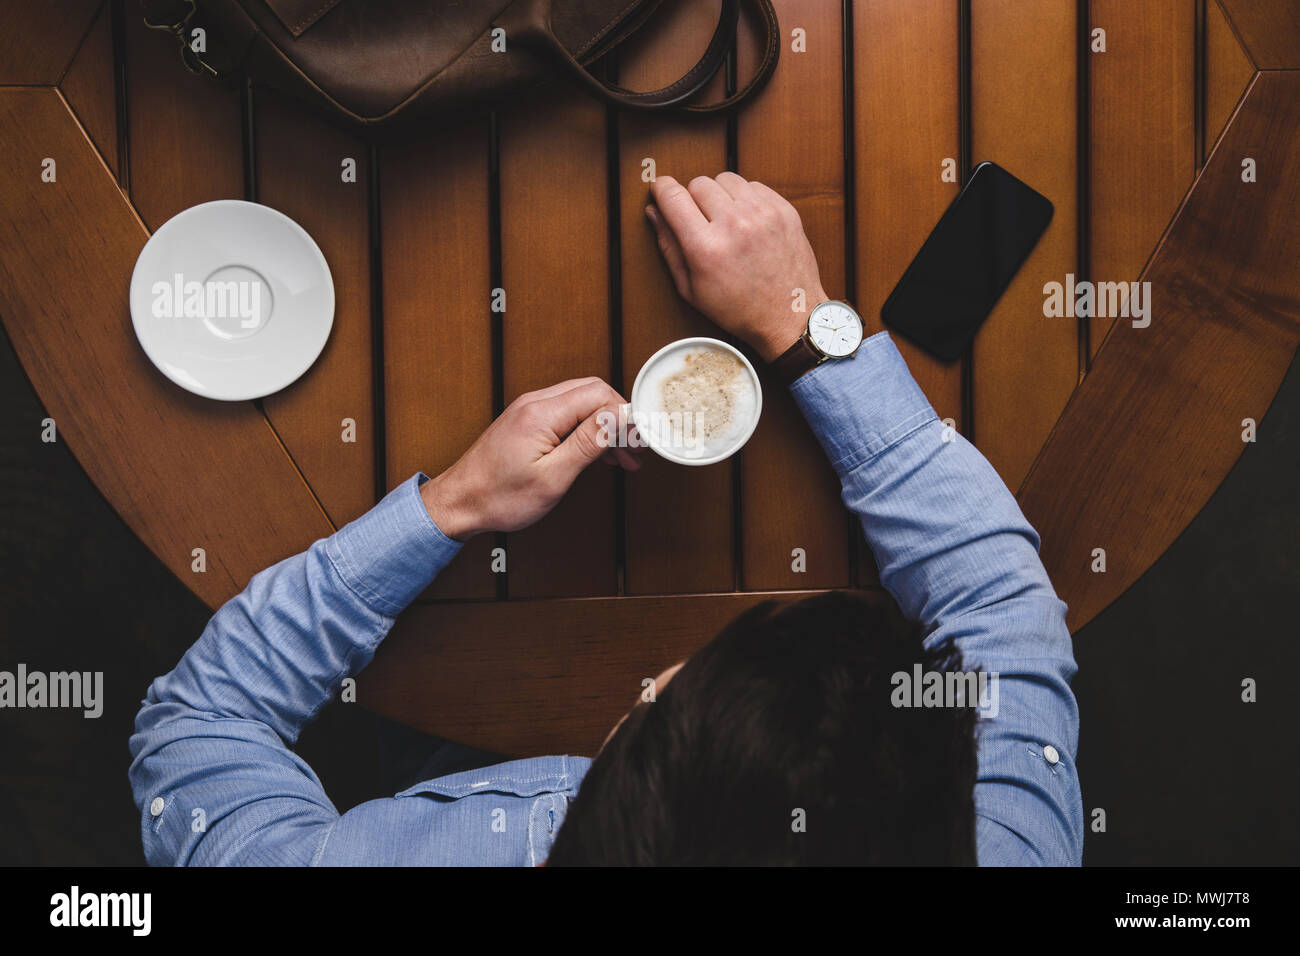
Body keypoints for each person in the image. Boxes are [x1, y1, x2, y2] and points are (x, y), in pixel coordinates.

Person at [129, 173, 1082, 866]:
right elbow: (1002, 607)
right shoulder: (998, 848)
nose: (675, 660)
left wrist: (451, 504)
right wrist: (807, 328)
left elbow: (200, 724)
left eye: (665, 698)